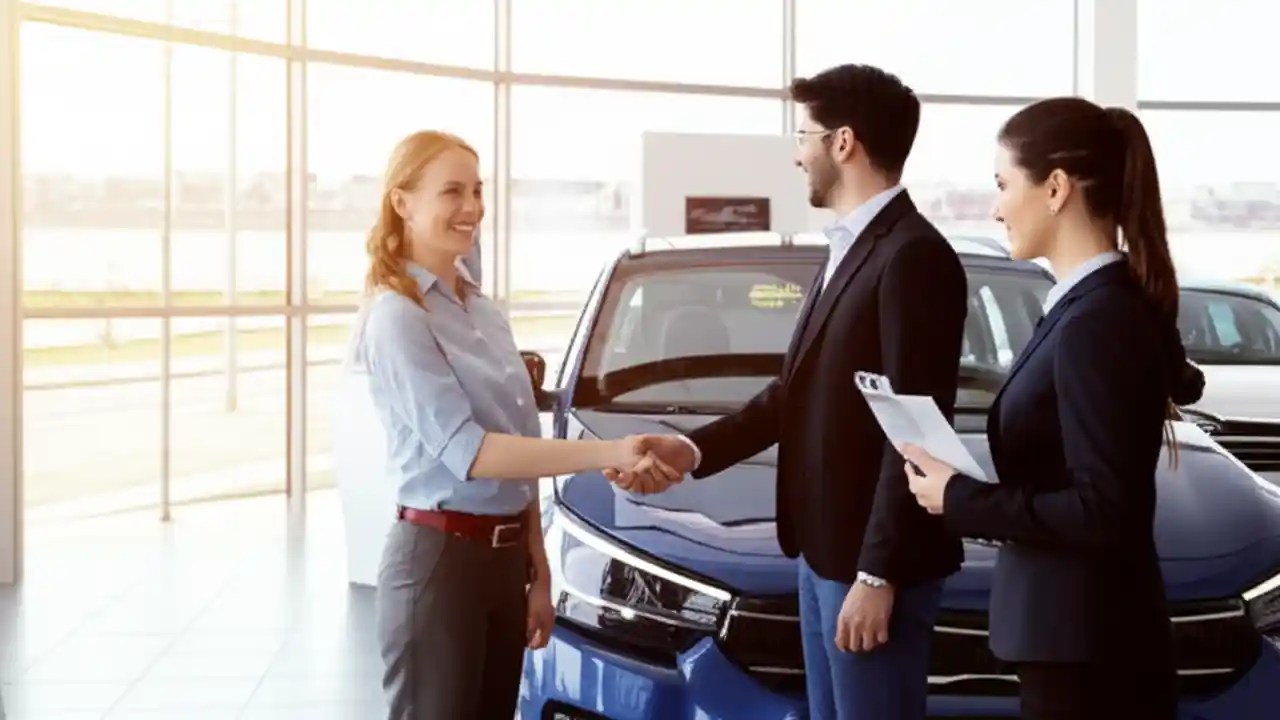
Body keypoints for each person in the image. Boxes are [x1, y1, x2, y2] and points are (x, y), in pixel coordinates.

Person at [611, 64, 969, 719]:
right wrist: (692, 450)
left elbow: (916, 431)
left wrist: (877, 574)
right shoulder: (852, 248)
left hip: (867, 566)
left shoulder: (912, 256)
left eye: (804, 135)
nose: (797, 153)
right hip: (823, 556)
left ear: (843, 142)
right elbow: (793, 394)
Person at [352, 130, 677, 720]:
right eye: (452, 191)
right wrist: (610, 453)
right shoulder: (396, 317)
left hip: (504, 563)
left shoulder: (482, 311)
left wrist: (538, 574)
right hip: (438, 562)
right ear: (402, 202)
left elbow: (520, 448)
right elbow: (474, 454)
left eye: (477, 191)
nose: (472, 208)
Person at [900, 96, 1201, 719]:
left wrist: (960, 498)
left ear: (1056, 188)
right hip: (1078, 641)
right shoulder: (1090, 306)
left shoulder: (1097, 321)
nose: (996, 207)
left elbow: (1104, 510)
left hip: (1090, 656)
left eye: (1003, 184)